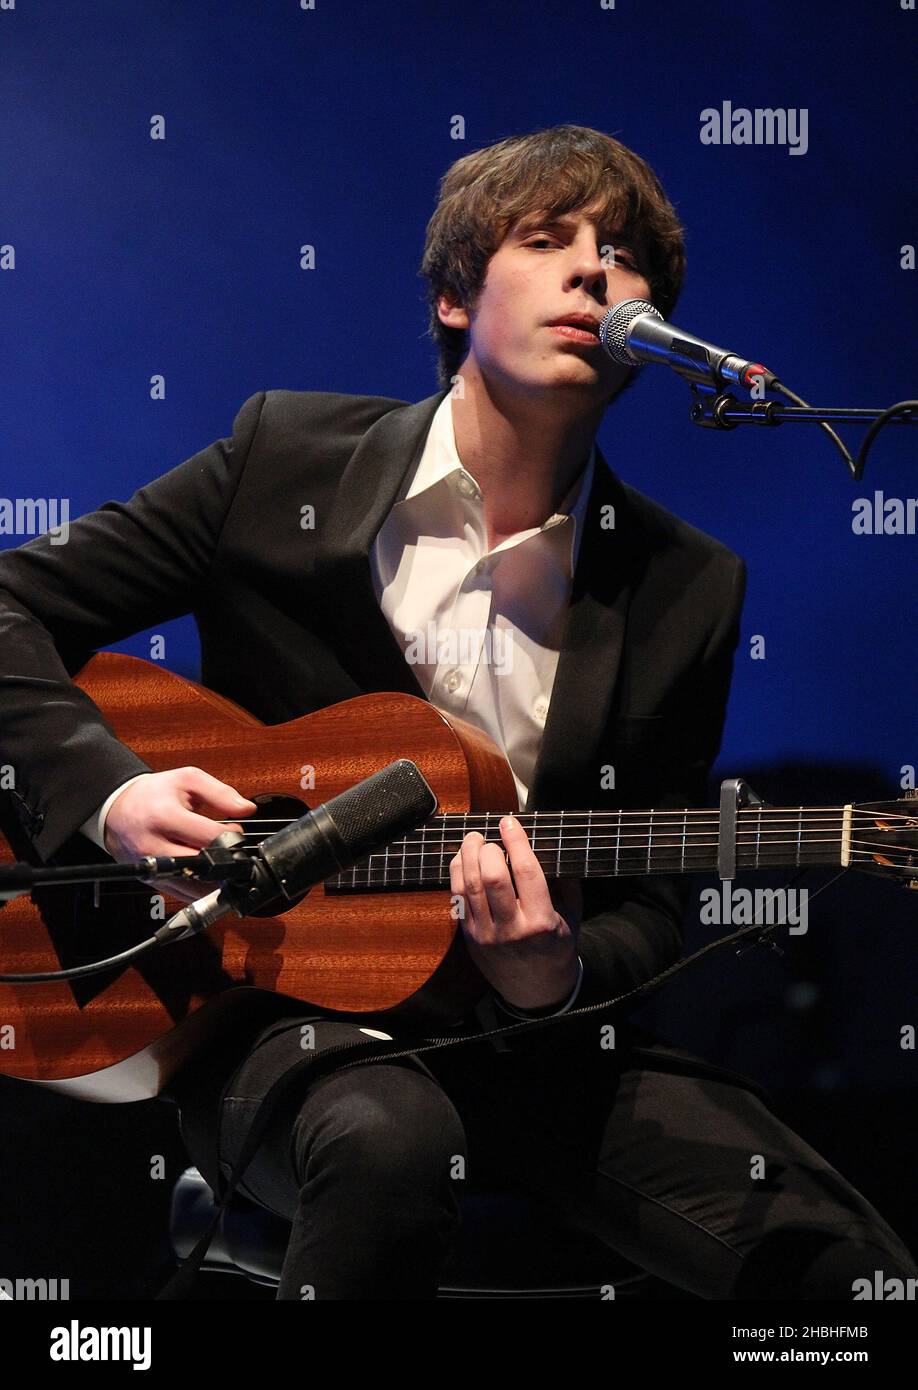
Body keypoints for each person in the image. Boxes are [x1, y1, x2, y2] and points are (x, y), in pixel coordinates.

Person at [0, 124, 914, 1301]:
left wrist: (558, 973)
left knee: (847, 1273)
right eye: (550, 240)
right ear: (451, 300)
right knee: (390, 1143)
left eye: (626, 254)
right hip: (267, 1016)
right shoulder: (283, 462)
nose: (596, 270)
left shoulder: (688, 587)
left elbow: (649, 899)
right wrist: (112, 790)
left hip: (526, 1038)